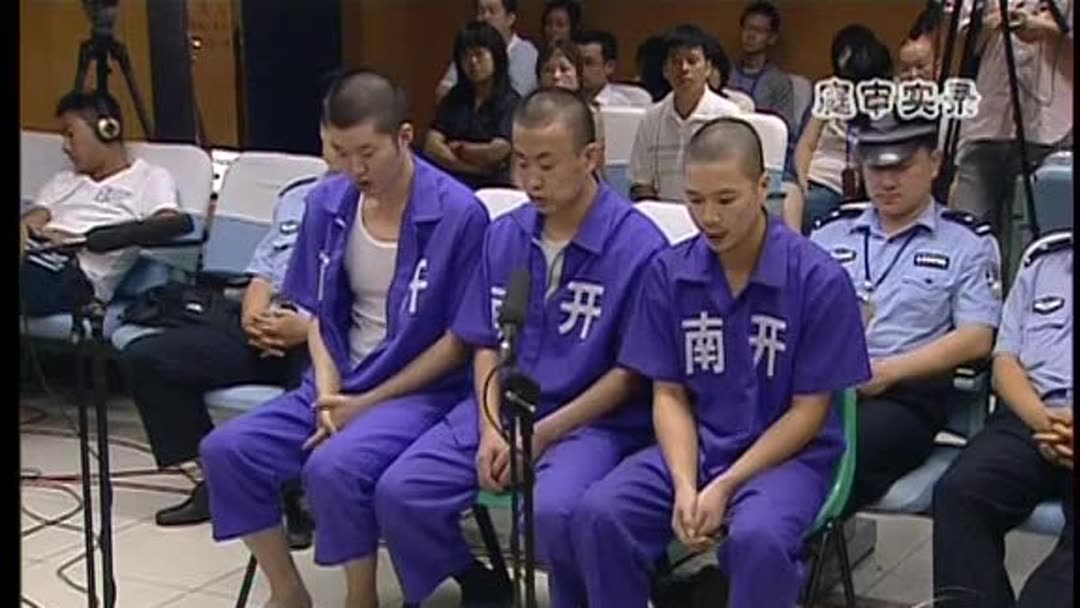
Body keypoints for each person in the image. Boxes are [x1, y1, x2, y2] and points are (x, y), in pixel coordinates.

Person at [198, 70, 489, 608]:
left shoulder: (458, 213)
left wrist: (365, 404)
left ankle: (361, 597)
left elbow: (459, 340)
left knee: (334, 466)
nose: (354, 169)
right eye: (338, 152)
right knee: (227, 451)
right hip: (338, 379)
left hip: (418, 390)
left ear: (404, 137)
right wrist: (330, 392)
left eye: (367, 153)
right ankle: (287, 590)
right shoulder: (327, 201)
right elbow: (317, 312)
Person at [375, 88, 668, 608]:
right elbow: (484, 341)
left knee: (553, 511)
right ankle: (480, 584)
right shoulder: (505, 234)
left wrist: (543, 436)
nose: (531, 180)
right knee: (401, 491)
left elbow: (629, 373)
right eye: (521, 162)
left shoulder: (638, 246)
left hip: (589, 420)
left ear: (590, 158)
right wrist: (492, 428)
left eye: (547, 165)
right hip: (502, 406)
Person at [571, 117, 872, 608]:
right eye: (694, 200)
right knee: (600, 514)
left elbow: (809, 412)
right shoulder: (669, 273)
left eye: (726, 200)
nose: (709, 217)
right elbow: (668, 393)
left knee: (758, 538)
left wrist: (727, 484)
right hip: (700, 445)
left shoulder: (817, 279)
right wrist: (685, 484)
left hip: (790, 459)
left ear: (763, 187)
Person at [118, 124, 345, 530]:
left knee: (314, 391)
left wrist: (308, 326)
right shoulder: (297, 197)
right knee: (148, 357)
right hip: (266, 323)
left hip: (325, 335)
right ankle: (216, 481)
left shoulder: (377, 203)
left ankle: (295, 492)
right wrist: (252, 317)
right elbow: (263, 270)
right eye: (333, 137)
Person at [809, 115, 1002, 513]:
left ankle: (789, 540)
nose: (887, 181)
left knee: (833, 451)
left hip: (902, 396)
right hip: (818, 385)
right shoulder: (830, 232)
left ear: (934, 163)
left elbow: (977, 337)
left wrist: (888, 372)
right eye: (876, 168)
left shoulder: (966, 242)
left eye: (901, 167)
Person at [932, 229, 1073, 608]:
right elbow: (1005, 362)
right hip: (1032, 416)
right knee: (960, 493)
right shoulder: (1042, 264)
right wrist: (1044, 421)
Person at [21, 90, 181, 316]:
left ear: (107, 130)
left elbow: (168, 223)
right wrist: (36, 233)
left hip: (76, 276)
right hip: (36, 257)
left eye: (70, 135)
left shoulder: (149, 178)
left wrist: (79, 239)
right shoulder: (63, 181)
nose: (65, 147)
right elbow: (35, 217)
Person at [948, 0, 1073, 276]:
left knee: (1039, 238)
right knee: (967, 228)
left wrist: (1044, 28)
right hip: (987, 121)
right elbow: (959, 35)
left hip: (1051, 129)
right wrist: (991, 23)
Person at [628, 24, 742, 203]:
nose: (684, 68)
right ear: (665, 70)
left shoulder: (727, 116)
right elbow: (641, 184)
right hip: (662, 214)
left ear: (708, 68)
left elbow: (735, 184)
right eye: (676, 61)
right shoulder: (651, 118)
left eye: (692, 61)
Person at [794, 25, 893, 228]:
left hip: (866, 187)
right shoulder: (832, 90)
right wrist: (802, 184)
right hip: (822, 180)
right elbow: (806, 144)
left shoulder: (883, 98)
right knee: (813, 205)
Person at [425, 21, 521, 190]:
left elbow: (497, 151)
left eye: (479, 54)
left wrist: (460, 148)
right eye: (465, 56)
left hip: (495, 187)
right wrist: (474, 167)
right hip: (452, 182)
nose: (472, 62)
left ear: (496, 56)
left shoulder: (510, 101)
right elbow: (431, 145)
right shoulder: (455, 96)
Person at [435, 0, 538, 102]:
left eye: (492, 11)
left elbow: (519, 99)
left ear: (510, 18)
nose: (485, 18)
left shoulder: (525, 52)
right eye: (481, 12)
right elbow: (443, 92)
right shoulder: (469, 50)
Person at [536, 39, 606, 170]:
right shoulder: (529, 115)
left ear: (578, 76)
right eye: (548, 70)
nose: (556, 76)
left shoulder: (591, 114)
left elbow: (596, 165)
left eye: (564, 69)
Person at [731, 1, 796, 128]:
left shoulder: (779, 82)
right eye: (747, 28)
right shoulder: (726, 73)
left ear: (772, 38)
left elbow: (785, 127)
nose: (751, 36)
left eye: (759, 31)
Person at [575, 30, 652, 107]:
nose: (580, 69)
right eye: (577, 62)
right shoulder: (569, 101)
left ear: (609, 66)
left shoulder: (632, 101)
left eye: (589, 63)